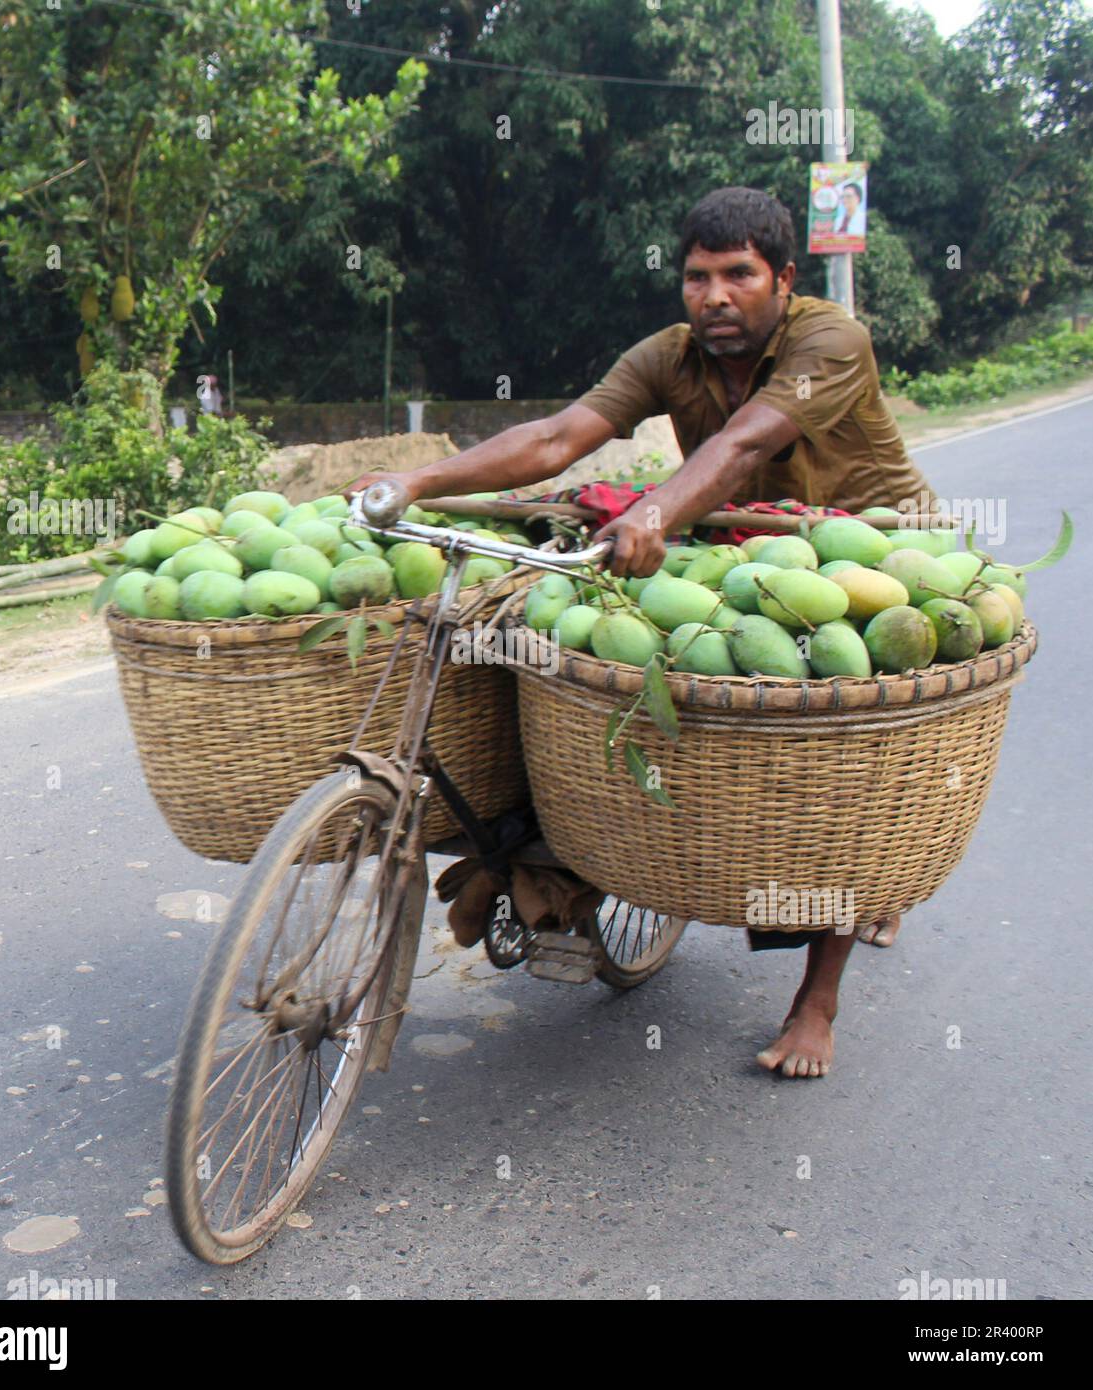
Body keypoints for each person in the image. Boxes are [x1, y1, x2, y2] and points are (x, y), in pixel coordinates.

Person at [352, 186, 940, 1078]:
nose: (714, 296)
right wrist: (419, 483)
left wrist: (656, 509)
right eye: (697, 278)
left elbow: (745, 442)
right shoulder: (670, 355)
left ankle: (819, 992)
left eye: (738, 275)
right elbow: (557, 437)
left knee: (830, 761)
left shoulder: (832, 341)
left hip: (868, 552)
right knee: (625, 670)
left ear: (783, 279)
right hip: (743, 544)